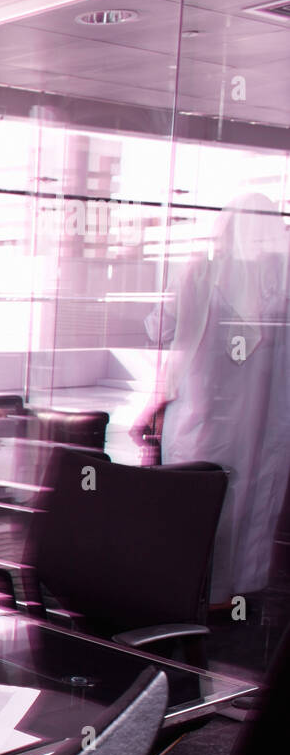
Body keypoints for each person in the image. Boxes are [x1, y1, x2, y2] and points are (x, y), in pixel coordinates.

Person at [132, 192, 290, 603]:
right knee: (248, 499)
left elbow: (159, 329)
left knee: (195, 503)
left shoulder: (200, 270)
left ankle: (190, 593)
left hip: (199, 414)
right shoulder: (284, 275)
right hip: (262, 418)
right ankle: (231, 596)